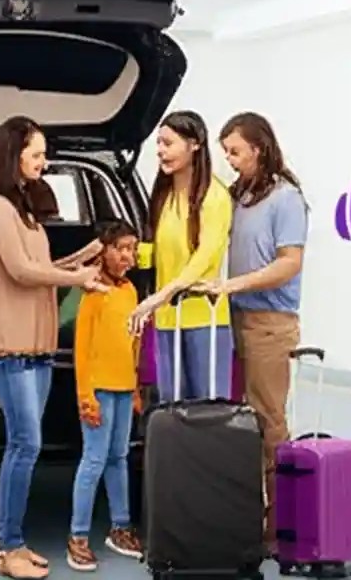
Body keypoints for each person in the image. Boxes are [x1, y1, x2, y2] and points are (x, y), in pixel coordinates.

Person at [0, 115, 107, 580]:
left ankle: (15, 541)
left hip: (38, 347)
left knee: (27, 445)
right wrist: (77, 277)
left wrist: (84, 258)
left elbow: (41, 267)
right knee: (25, 444)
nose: (43, 162)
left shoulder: (23, 210)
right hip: (11, 347)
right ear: (14, 155)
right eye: (37, 154)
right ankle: (8, 545)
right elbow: (20, 271)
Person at [195, 111, 308, 553]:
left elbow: (289, 263)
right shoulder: (237, 196)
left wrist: (234, 285)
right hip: (235, 319)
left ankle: (279, 526)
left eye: (235, 151)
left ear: (258, 149)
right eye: (225, 152)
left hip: (269, 325)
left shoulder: (286, 199)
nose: (230, 159)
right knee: (240, 420)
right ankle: (247, 513)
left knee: (269, 421)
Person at [127, 111, 235, 403]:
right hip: (167, 318)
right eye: (158, 144)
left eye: (168, 143)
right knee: (172, 406)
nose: (160, 151)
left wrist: (161, 296)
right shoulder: (163, 195)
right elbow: (154, 250)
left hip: (204, 317)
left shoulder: (215, 196)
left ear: (195, 144)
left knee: (207, 407)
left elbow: (203, 258)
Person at [66, 220, 146, 572]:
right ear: (104, 251)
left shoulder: (130, 291)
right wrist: (86, 396)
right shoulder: (93, 293)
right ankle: (78, 536)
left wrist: (136, 388)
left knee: (119, 456)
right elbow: (82, 350)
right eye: (121, 248)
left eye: (133, 249)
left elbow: (134, 342)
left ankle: (120, 527)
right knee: (94, 460)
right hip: (98, 390)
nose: (128, 256)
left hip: (124, 389)